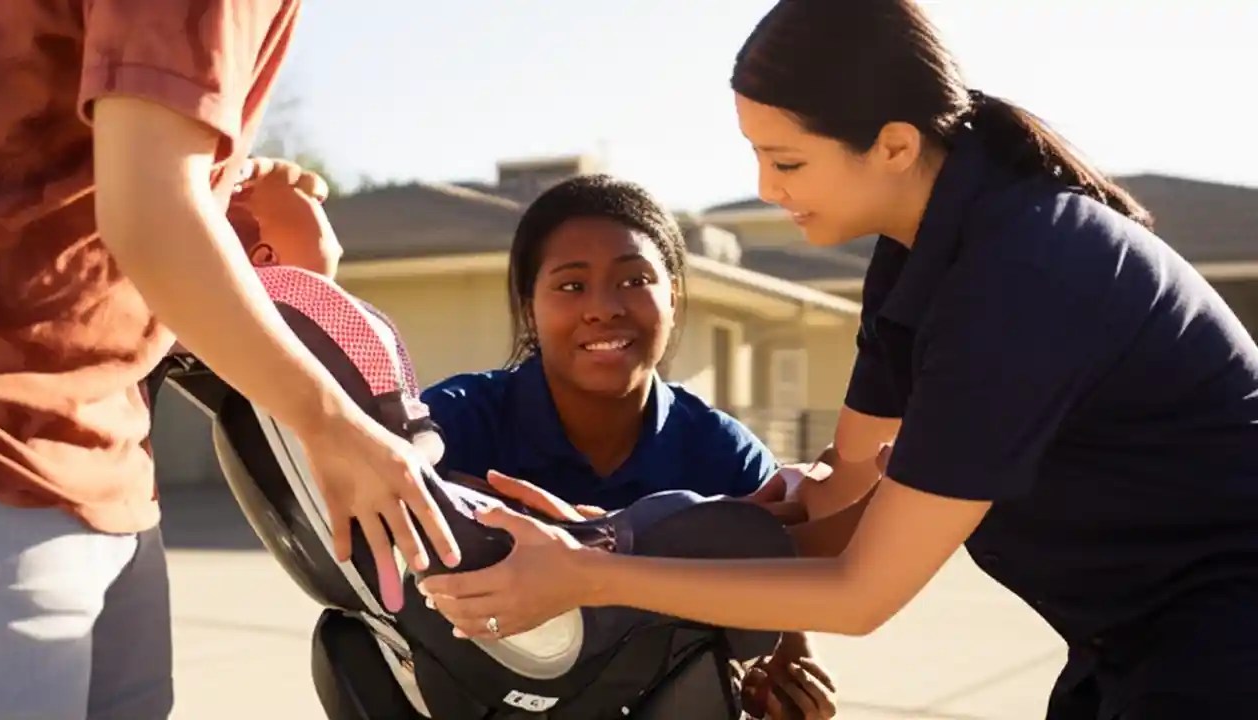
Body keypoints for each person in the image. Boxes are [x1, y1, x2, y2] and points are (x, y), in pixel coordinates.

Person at [418, 1, 1258, 718]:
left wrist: (587, 578)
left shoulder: (1019, 273)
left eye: (786, 160)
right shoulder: (921, 252)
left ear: (893, 145)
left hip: (1224, 634)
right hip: (1131, 641)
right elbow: (838, 487)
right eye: (755, 154)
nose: (767, 185)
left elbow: (860, 592)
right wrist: (602, 540)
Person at [0, 3, 457, 718]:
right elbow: (150, 217)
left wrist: (224, 201)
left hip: (100, 461)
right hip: (1, 450)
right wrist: (330, 425)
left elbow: (117, 207)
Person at [417, 174, 837, 719]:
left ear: (673, 296)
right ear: (529, 308)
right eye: (571, 286)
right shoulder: (460, 418)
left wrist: (785, 671)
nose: (603, 308)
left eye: (634, 280)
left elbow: (784, 594)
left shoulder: (722, 453)